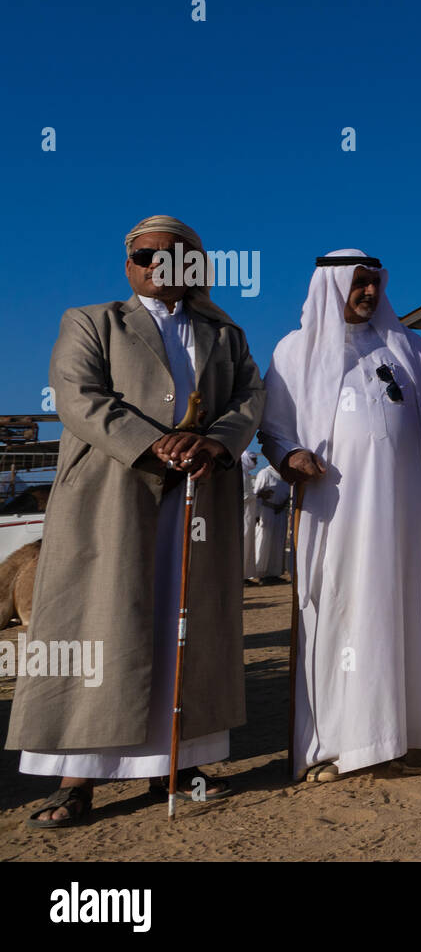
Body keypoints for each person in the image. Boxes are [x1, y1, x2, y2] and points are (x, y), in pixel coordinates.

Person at [8, 215, 264, 826]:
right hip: (111, 498)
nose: (160, 265)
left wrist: (217, 443)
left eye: (176, 256)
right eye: (147, 255)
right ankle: (76, 778)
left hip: (198, 497)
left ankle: (177, 762)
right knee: (100, 622)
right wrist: (156, 444)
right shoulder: (92, 321)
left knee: (186, 622)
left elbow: (250, 398)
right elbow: (77, 397)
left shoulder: (225, 334)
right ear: (129, 265)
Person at [260, 250, 421, 782]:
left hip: (407, 506)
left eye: (373, 283)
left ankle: (407, 736)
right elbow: (274, 429)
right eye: (357, 283)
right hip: (336, 511)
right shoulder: (295, 351)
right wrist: (290, 456)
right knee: (343, 611)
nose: (368, 293)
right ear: (331, 287)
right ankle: (337, 746)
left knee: (404, 611)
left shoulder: (407, 347)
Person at [252, 464, 290, 581]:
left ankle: (273, 573)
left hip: (280, 513)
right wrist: (256, 514)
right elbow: (256, 494)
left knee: (277, 543)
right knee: (263, 542)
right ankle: (260, 573)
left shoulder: (286, 476)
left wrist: (283, 506)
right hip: (266, 512)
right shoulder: (265, 473)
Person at [242, 451, 260, 583]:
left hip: (249, 515)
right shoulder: (241, 474)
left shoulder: (246, 474)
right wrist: (258, 495)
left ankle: (245, 575)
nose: (256, 463)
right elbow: (243, 496)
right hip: (243, 516)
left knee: (248, 544)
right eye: (253, 460)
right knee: (243, 544)